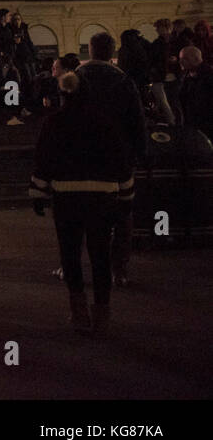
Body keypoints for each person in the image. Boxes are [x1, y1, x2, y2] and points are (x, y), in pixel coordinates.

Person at [31, 71, 133, 336]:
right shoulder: (105, 122)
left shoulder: (53, 122)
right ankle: (102, 313)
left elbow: (43, 160)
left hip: (67, 198)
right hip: (102, 198)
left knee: (71, 255)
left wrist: (38, 193)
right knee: (100, 256)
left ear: (62, 95)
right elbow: (122, 161)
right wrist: (126, 196)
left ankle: (79, 312)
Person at [75, 32, 147, 288]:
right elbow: (137, 123)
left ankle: (88, 266)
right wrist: (140, 153)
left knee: (84, 214)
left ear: (91, 50)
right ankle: (119, 268)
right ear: (112, 51)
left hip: (84, 159)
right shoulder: (124, 82)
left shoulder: (76, 80)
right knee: (123, 215)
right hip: (119, 159)